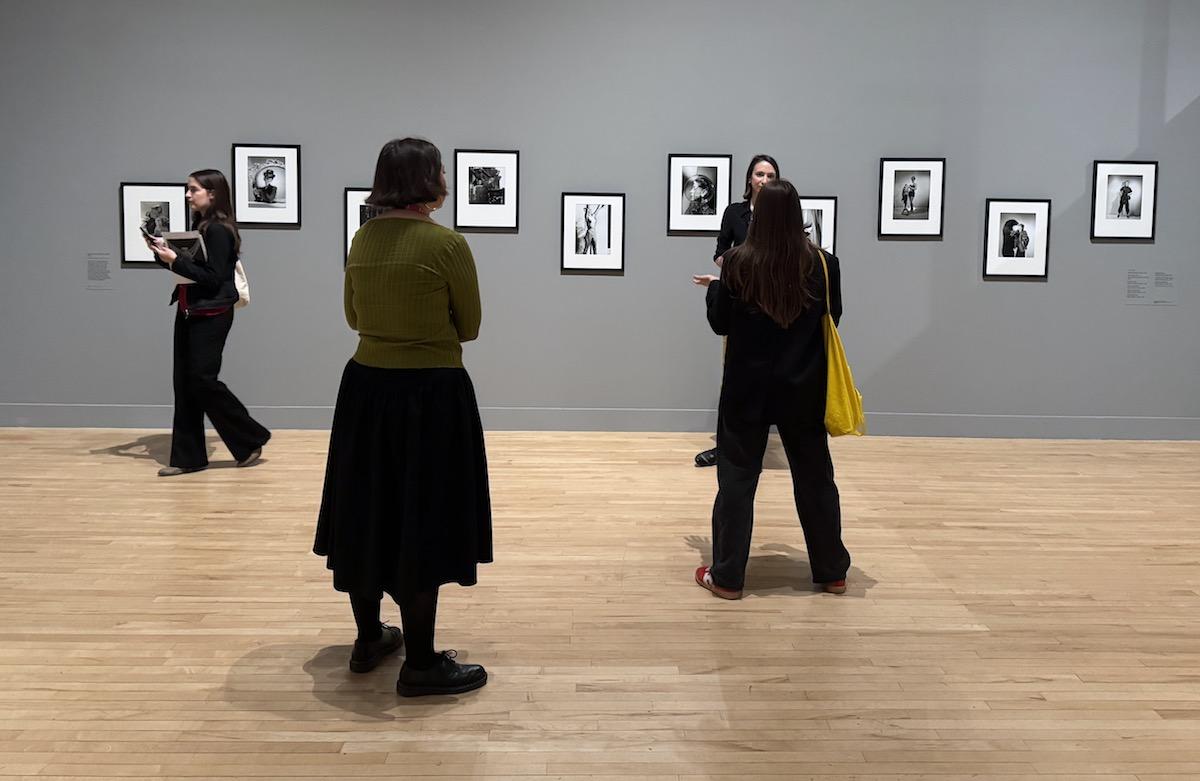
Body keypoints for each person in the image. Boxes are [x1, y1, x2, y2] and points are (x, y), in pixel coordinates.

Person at [313, 137, 491, 697]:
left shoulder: (362, 238)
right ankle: (420, 662)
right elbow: (470, 325)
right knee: (424, 514)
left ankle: (369, 638)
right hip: (431, 393)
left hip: (366, 388)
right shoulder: (447, 244)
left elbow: (352, 316)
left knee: (364, 507)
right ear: (428, 180)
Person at [692, 178, 852, 599]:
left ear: (757, 215)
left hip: (748, 389)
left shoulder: (737, 262)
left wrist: (714, 291)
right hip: (804, 387)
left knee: (737, 481)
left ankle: (726, 576)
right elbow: (832, 316)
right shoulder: (823, 263)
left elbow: (719, 323)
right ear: (797, 215)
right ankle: (832, 571)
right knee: (816, 478)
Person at [145, 170, 271, 477]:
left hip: (211, 314)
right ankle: (189, 458)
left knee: (202, 380)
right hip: (190, 310)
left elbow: (214, 278)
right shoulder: (199, 226)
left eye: (193, 190)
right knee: (185, 384)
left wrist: (175, 260)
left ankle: (251, 437)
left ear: (212, 193)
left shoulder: (219, 230)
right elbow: (192, 271)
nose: (188, 195)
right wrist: (164, 256)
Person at [694, 154, 780, 468]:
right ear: (749, 179)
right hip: (742, 303)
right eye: (760, 174)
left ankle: (758, 443)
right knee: (734, 377)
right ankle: (729, 447)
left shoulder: (783, 214)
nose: (765, 180)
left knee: (773, 378)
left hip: (776, 306)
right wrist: (739, 270)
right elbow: (720, 253)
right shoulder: (735, 213)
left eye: (771, 175)